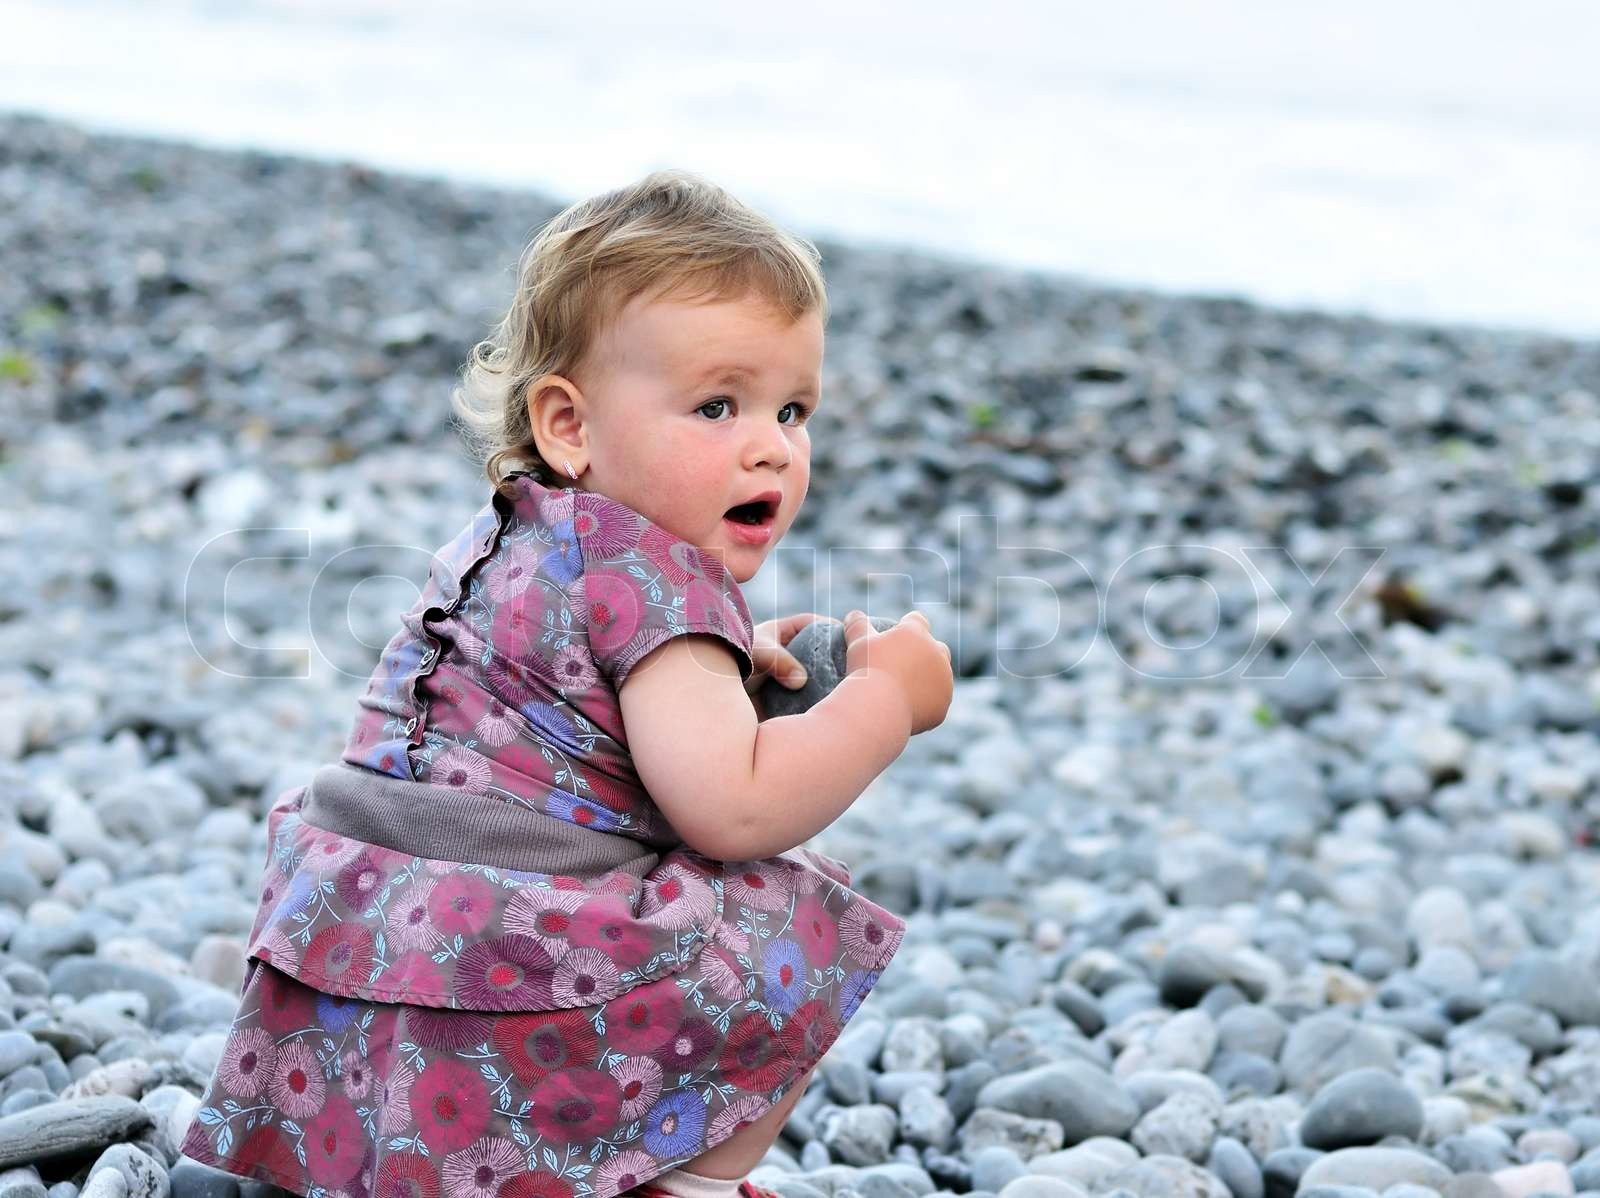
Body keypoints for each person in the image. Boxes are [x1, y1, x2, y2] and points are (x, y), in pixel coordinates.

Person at [180, 168, 954, 1198]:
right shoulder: (658, 582)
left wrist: (729, 661)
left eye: (792, 409)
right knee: (794, 907)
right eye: (717, 405)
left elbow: (563, 702)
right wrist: (884, 703)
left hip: (356, 942)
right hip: (502, 970)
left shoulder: (517, 534)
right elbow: (736, 808)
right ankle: (684, 1183)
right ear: (570, 426)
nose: (772, 447)